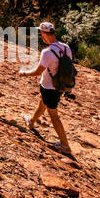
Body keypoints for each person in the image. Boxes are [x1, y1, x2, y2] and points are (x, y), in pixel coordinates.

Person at [22, 21, 74, 156]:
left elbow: (38, 71)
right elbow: (69, 68)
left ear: (44, 34)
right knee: (42, 102)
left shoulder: (47, 52)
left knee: (53, 115)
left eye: (41, 33)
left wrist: (24, 73)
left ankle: (65, 145)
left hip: (49, 87)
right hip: (60, 85)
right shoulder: (66, 47)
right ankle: (32, 121)